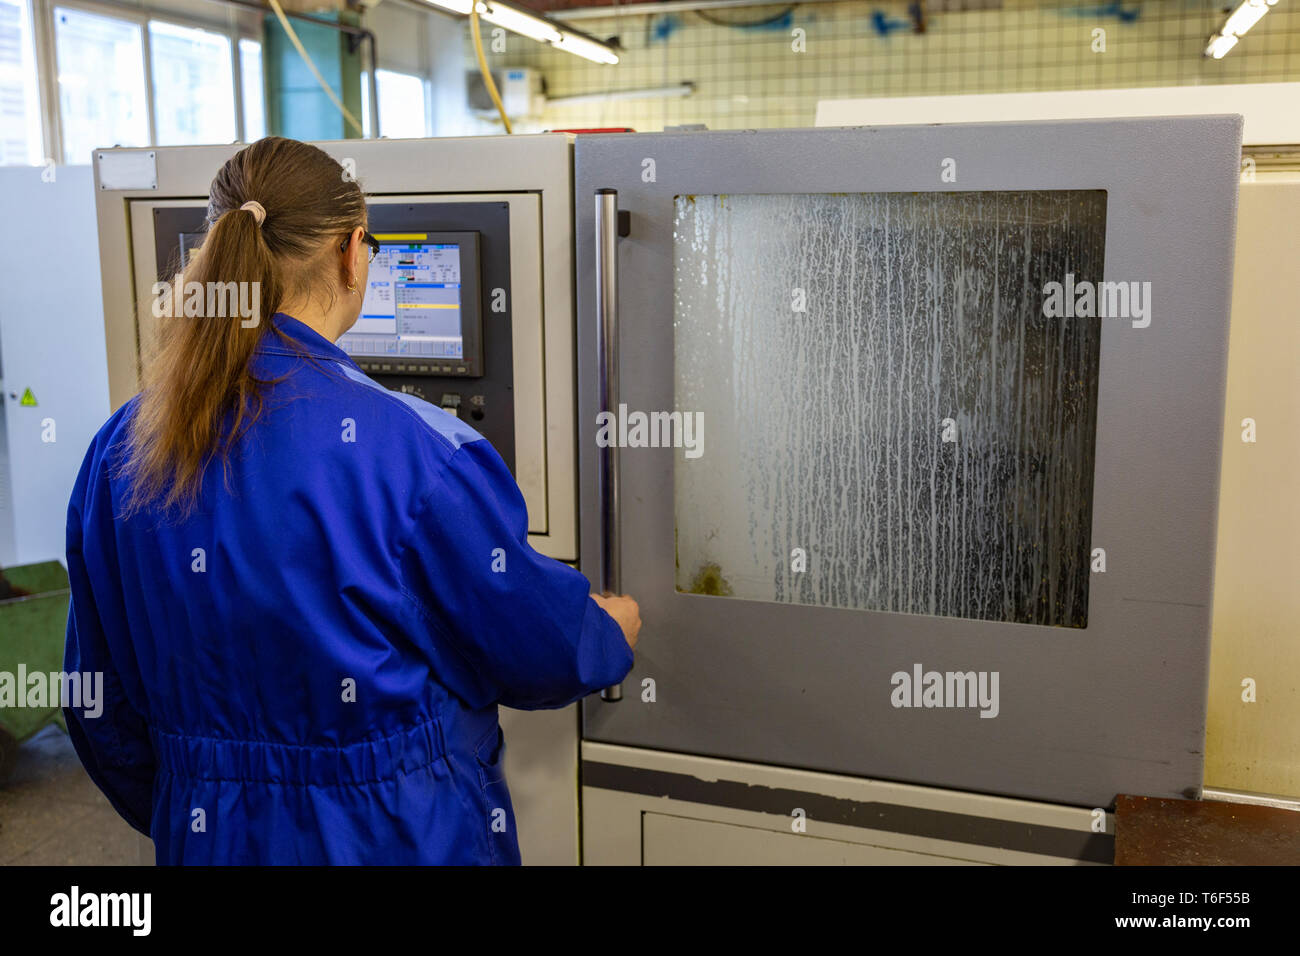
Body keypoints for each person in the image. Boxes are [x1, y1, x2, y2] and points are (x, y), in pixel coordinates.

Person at [62, 136, 639, 865]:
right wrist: (606, 630)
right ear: (352, 251)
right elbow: (536, 651)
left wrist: (207, 797)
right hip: (394, 835)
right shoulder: (422, 451)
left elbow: (95, 699)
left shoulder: (122, 448)